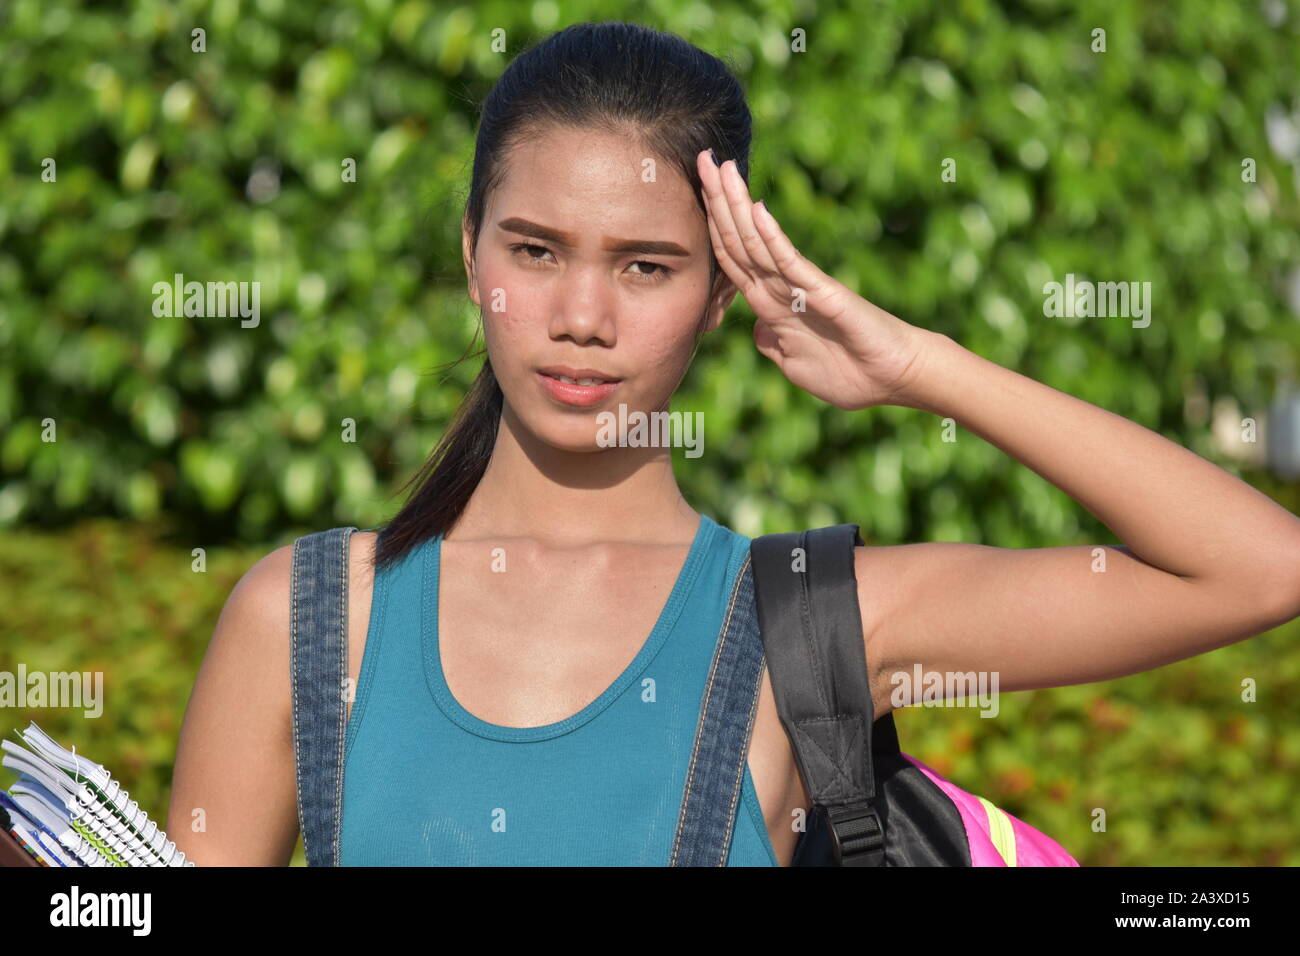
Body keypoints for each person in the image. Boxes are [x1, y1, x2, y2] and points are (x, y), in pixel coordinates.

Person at [166, 21, 1300, 867]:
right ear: (472, 256)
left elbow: (1258, 566)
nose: (582, 315)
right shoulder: (307, 617)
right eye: (535, 249)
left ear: (720, 293)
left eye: (646, 265)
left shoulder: (811, 620)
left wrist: (916, 366)